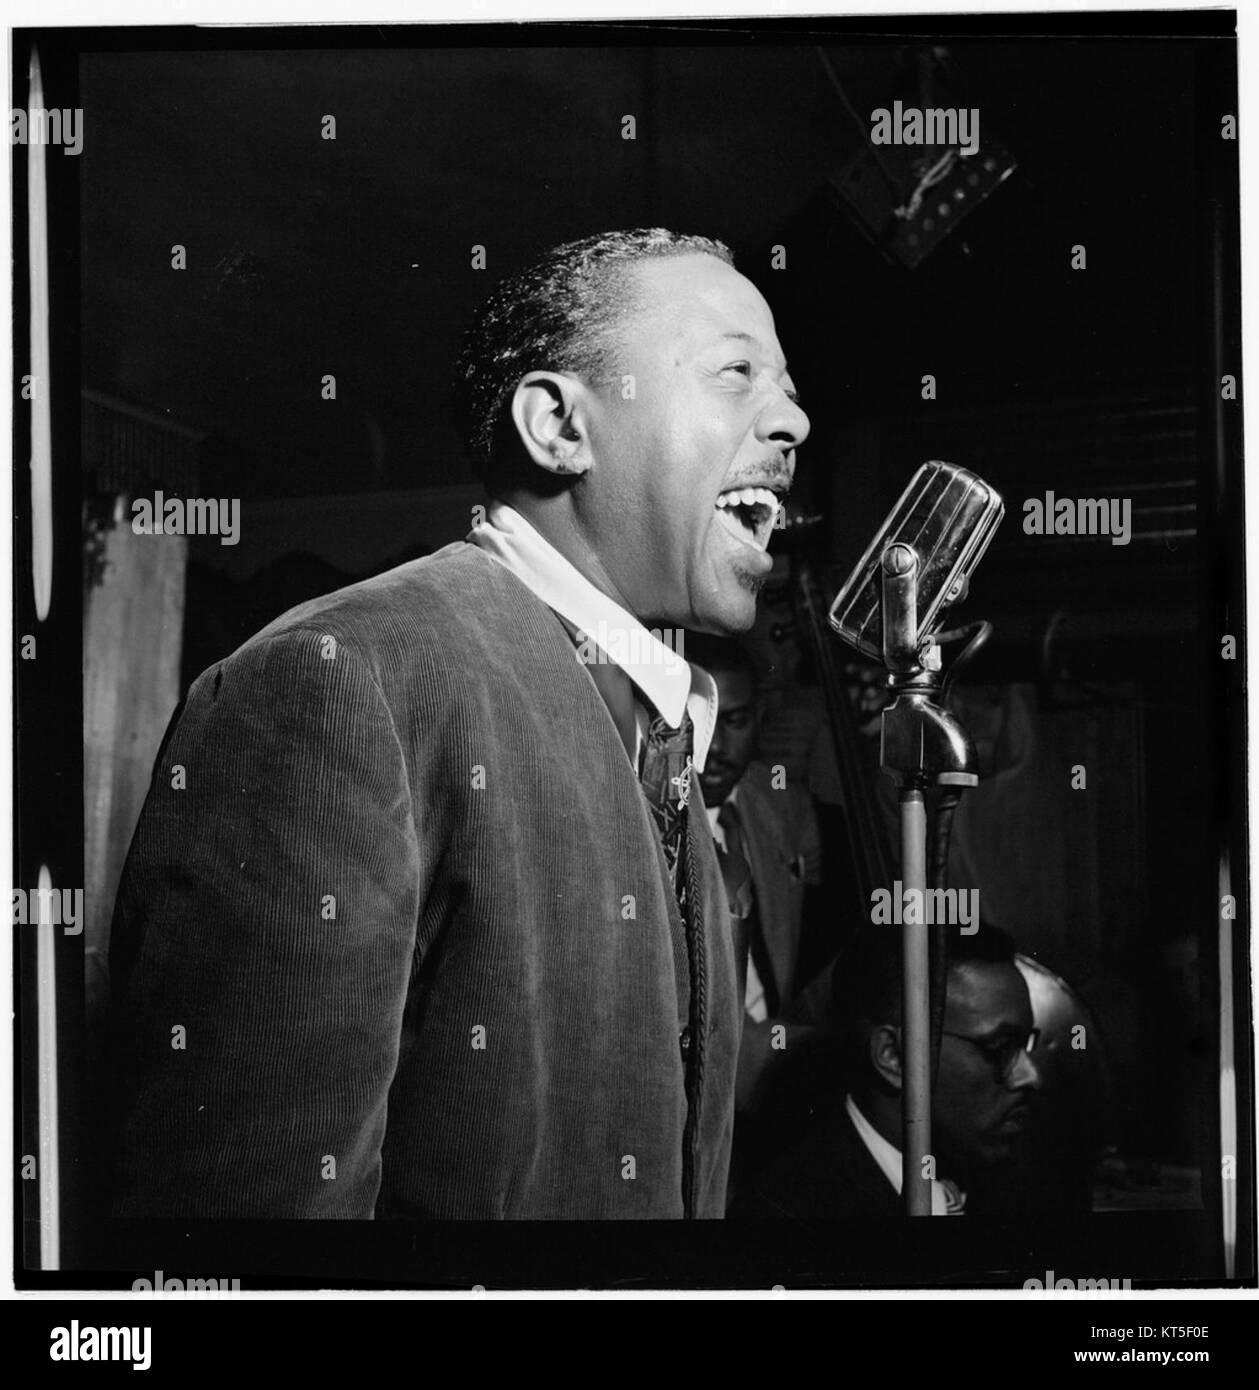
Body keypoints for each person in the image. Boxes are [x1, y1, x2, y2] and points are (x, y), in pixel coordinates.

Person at [107, 228, 810, 1220]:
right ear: (559, 425)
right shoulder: (334, 682)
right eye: (736, 372)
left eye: (782, 384)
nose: (793, 421)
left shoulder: (662, 725)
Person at [734, 922, 1042, 1218]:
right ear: (893, 1056)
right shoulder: (786, 1211)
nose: (1031, 1075)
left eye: (1025, 1045)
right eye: (1001, 1046)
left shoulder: (1024, 1180)